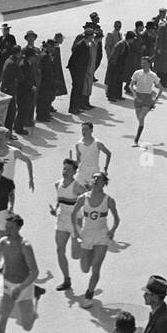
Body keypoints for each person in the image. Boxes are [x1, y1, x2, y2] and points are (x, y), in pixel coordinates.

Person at [75, 173, 119, 304]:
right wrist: (77, 232)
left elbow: (117, 218)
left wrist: (112, 230)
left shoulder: (109, 200)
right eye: (93, 177)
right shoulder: (83, 198)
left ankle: (89, 294)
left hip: (101, 234)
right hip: (87, 234)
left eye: (98, 178)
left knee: (96, 265)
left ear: (104, 183)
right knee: (84, 268)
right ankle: (88, 257)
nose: (95, 180)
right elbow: (74, 215)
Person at [50, 158, 82, 292]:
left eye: (69, 169)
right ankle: (66, 280)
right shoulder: (58, 184)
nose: (65, 171)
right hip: (62, 220)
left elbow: (88, 200)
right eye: (64, 168)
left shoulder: (77, 186)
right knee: (59, 250)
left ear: (74, 172)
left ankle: (89, 251)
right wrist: (55, 209)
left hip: (75, 222)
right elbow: (60, 199)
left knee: (76, 255)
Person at [129, 55, 162, 146]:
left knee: (141, 118)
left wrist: (154, 101)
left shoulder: (153, 75)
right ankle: (137, 138)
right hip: (138, 97)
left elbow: (161, 88)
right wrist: (135, 95)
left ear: (149, 64)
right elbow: (130, 85)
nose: (142, 65)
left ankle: (136, 140)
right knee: (139, 119)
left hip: (147, 98)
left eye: (144, 63)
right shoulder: (137, 73)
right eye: (142, 63)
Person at [69, 123, 111, 188]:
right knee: (80, 194)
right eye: (82, 130)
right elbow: (78, 160)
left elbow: (108, 153)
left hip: (94, 171)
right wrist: (72, 164)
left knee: (92, 195)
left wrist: (105, 168)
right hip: (81, 172)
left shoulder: (97, 144)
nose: (84, 132)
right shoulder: (78, 145)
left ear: (91, 130)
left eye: (86, 129)